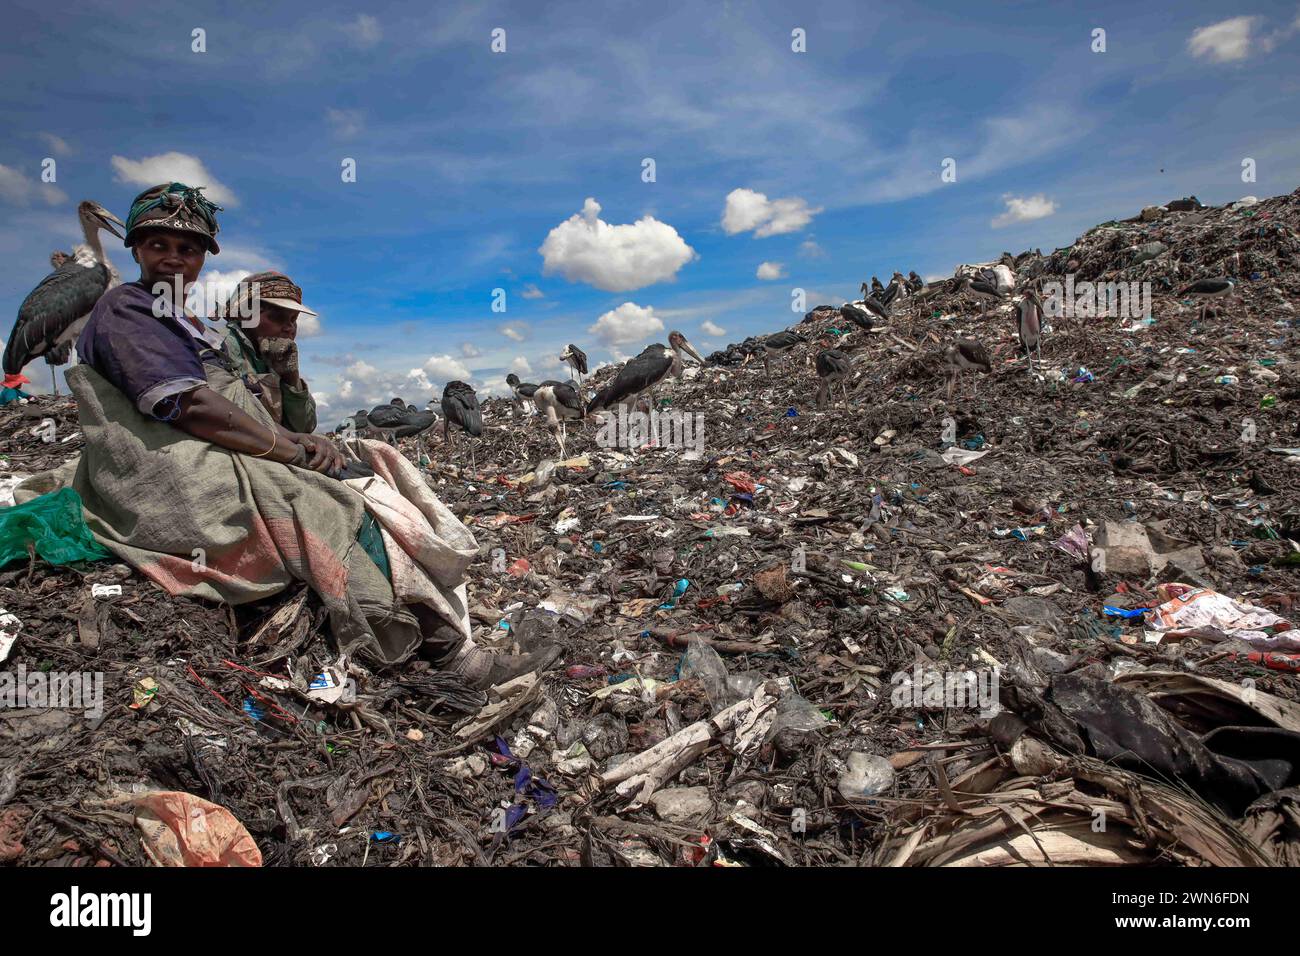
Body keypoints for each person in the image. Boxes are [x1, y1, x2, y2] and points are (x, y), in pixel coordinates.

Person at [66, 182, 554, 687]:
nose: (173, 259)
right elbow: (188, 404)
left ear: (202, 259)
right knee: (333, 505)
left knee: (364, 473)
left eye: (187, 249)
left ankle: (447, 609)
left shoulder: (188, 324)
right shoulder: (131, 310)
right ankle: (445, 656)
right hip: (173, 465)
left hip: (214, 446)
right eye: (158, 245)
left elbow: (261, 415)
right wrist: (291, 449)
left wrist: (294, 416)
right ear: (136, 249)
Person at [221, 272, 318, 433]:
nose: (289, 328)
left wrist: (291, 378)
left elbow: (304, 427)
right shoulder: (221, 346)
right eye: (277, 317)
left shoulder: (277, 358)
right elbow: (230, 421)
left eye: (293, 319)